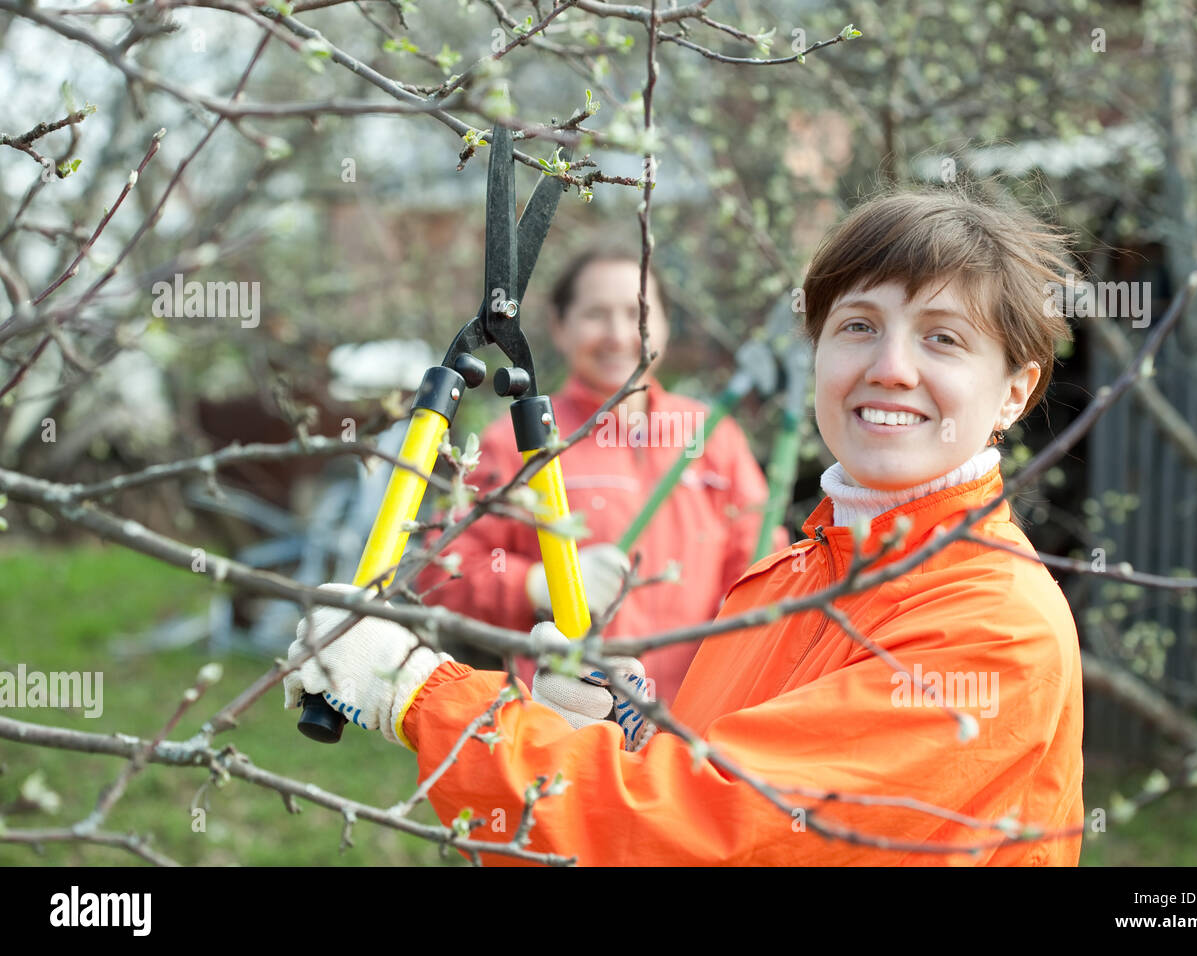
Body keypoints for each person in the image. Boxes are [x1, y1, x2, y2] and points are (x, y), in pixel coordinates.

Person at [285, 188, 1085, 866]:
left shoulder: (994, 628)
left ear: (1016, 392)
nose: (891, 367)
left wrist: (422, 695)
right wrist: (626, 734)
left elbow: (711, 828)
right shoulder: (792, 581)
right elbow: (718, 780)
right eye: (858, 326)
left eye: (942, 338)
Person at [413, 248, 784, 704]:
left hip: (699, 716)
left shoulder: (713, 435)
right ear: (559, 326)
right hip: (572, 720)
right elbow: (439, 569)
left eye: (637, 314)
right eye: (595, 314)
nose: (618, 335)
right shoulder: (519, 441)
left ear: (665, 324)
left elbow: (764, 566)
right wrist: (541, 584)